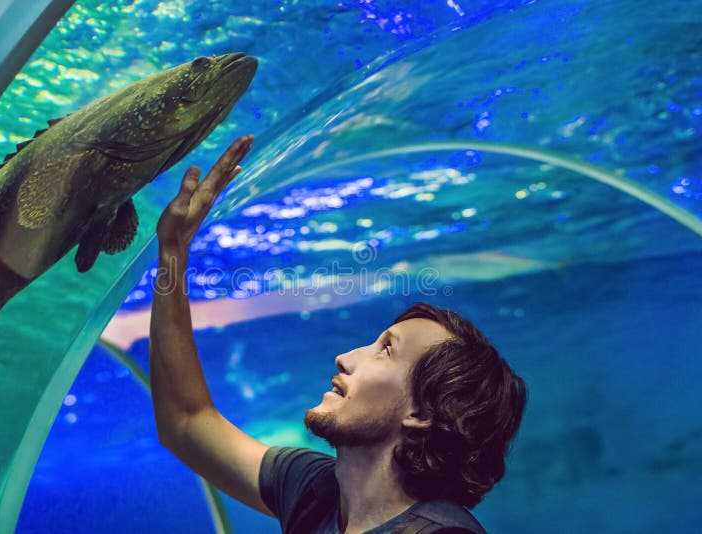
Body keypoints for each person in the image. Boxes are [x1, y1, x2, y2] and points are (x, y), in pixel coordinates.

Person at [150, 134, 527, 533]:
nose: (345, 357)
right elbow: (187, 421)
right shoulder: (319, 491)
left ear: (422, 414)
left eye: (385, 351)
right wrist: (173, 252)